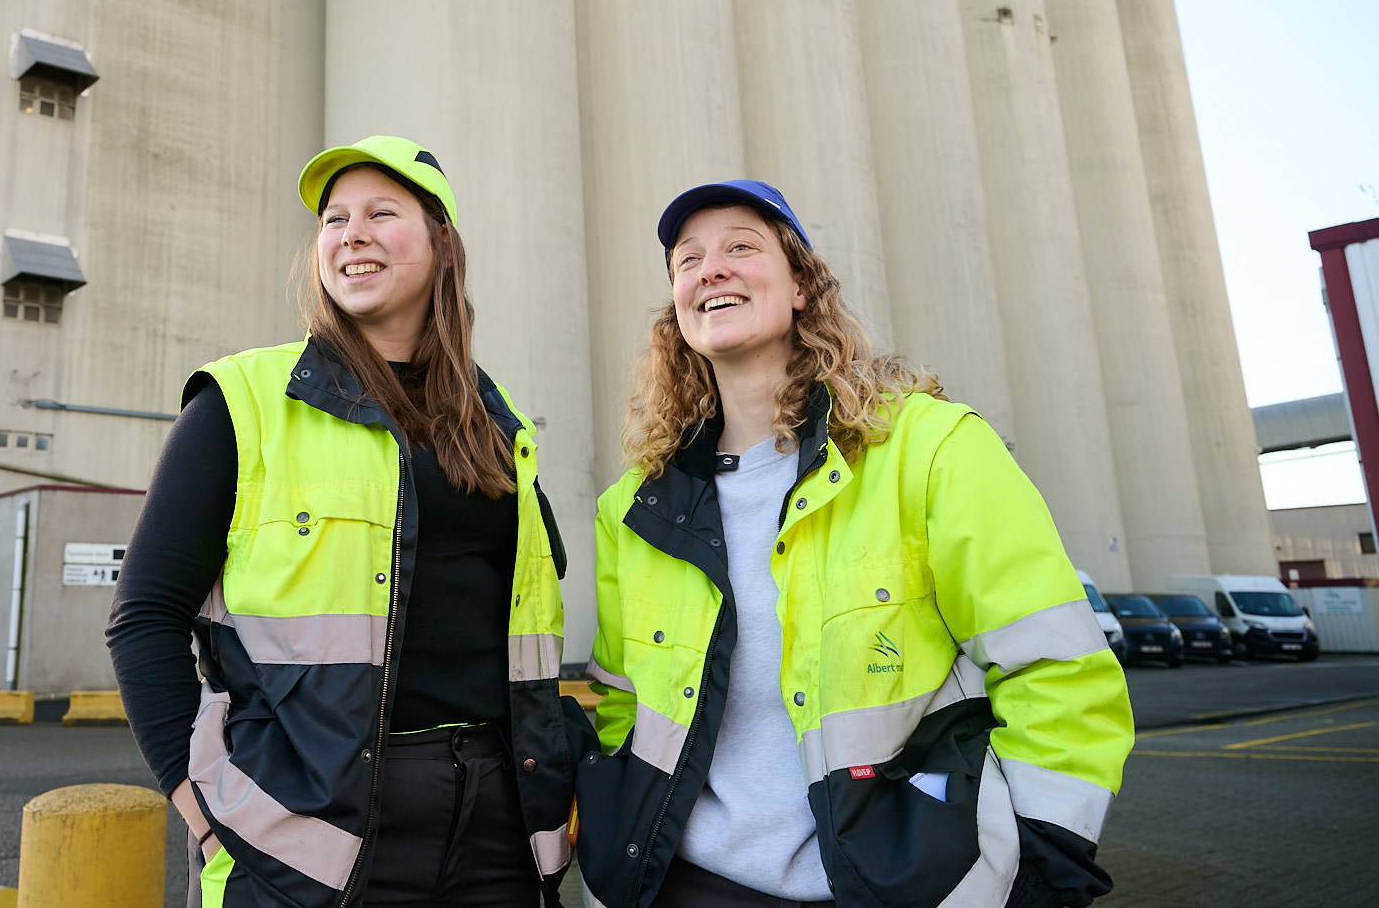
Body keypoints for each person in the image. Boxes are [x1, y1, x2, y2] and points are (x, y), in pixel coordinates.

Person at [573, 181, 1133, 908]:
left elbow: (1058, 672)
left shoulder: (929, 449)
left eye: (741, 247)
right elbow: (625, 706)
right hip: (687, 886)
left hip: (888, 884)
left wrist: (1047, 864)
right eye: (688, 260)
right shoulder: (637, 508)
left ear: (802, 284)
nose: (710, 269)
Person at [106, 136, 576, 908]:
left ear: (443, 247)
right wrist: (206, 815)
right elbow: (143, 619)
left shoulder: (497, 427)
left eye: (381, 214)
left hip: (498, 830)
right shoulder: (243, 402)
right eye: (334, 218)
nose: (350, 233)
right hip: (304, 835)